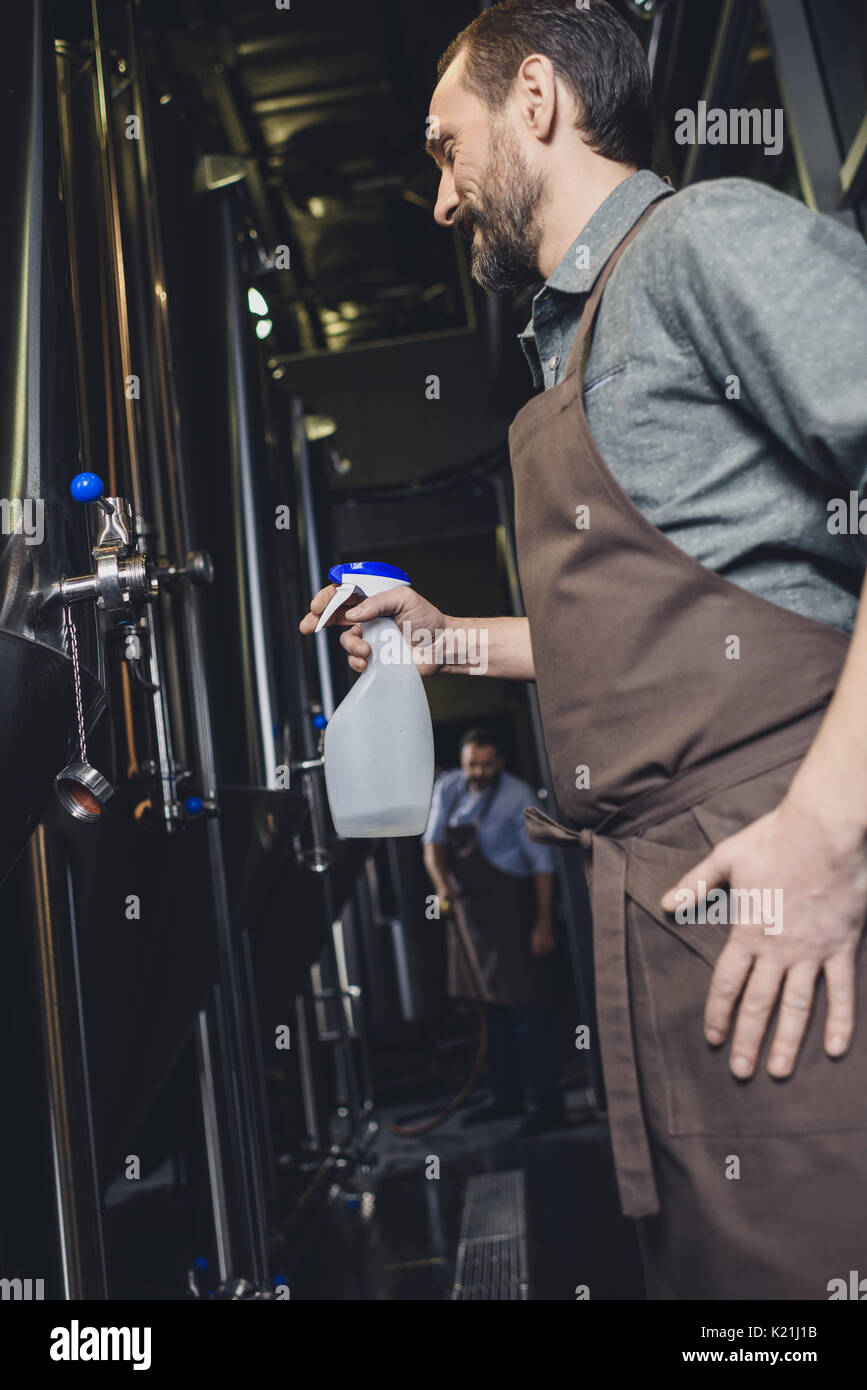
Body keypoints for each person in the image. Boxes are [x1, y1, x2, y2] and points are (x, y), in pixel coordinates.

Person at [302, 0, 867, 1299]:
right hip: (661, 945)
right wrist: (445, 641)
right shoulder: (573, 344)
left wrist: (828, 836)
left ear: (538, 101)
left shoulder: (698, 245)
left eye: (446, 150)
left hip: (787, 910)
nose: (438, 200)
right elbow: (650, 644)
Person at [422, 727, 563, 1135]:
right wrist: (442, 886)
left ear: (499, 761)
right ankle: (506, 1097)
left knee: (527, 1008)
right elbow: (433, 844)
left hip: (512, 908)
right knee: (489, 1009)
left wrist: (543, 922)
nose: (477, 772)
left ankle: (547, 1105)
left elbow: (542, 867)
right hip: (469, 911)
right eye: (471, 764)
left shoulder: (517, 797)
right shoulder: (448, 787)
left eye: (485, 765)